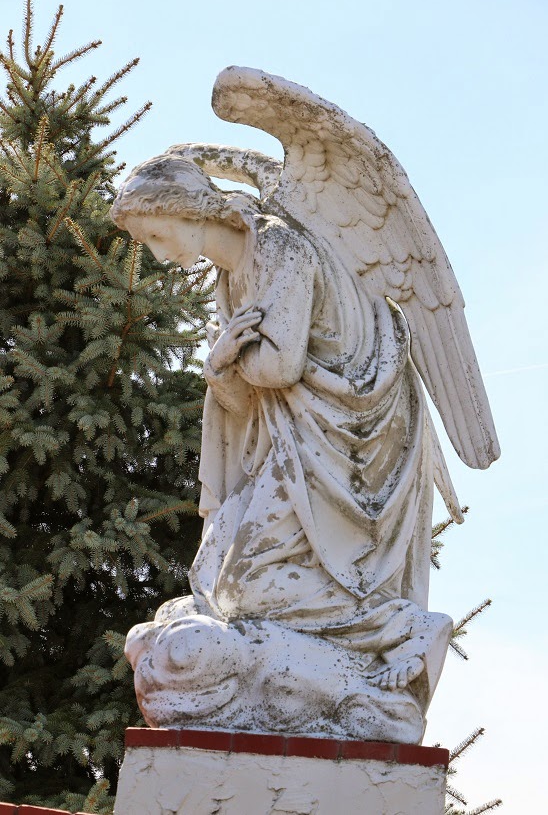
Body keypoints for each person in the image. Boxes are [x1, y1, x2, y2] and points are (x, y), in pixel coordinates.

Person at [111, 154, 452, 718]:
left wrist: (233, 357)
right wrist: (220, 364)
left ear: (185, 211)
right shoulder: (230, 278)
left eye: (155, 235)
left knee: (244, 591)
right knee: (215, 576)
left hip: (351, 434)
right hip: (290, 435)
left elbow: (278, 368)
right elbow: (248, 397)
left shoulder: (279, 248)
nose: (156, 252)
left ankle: (403, 630)